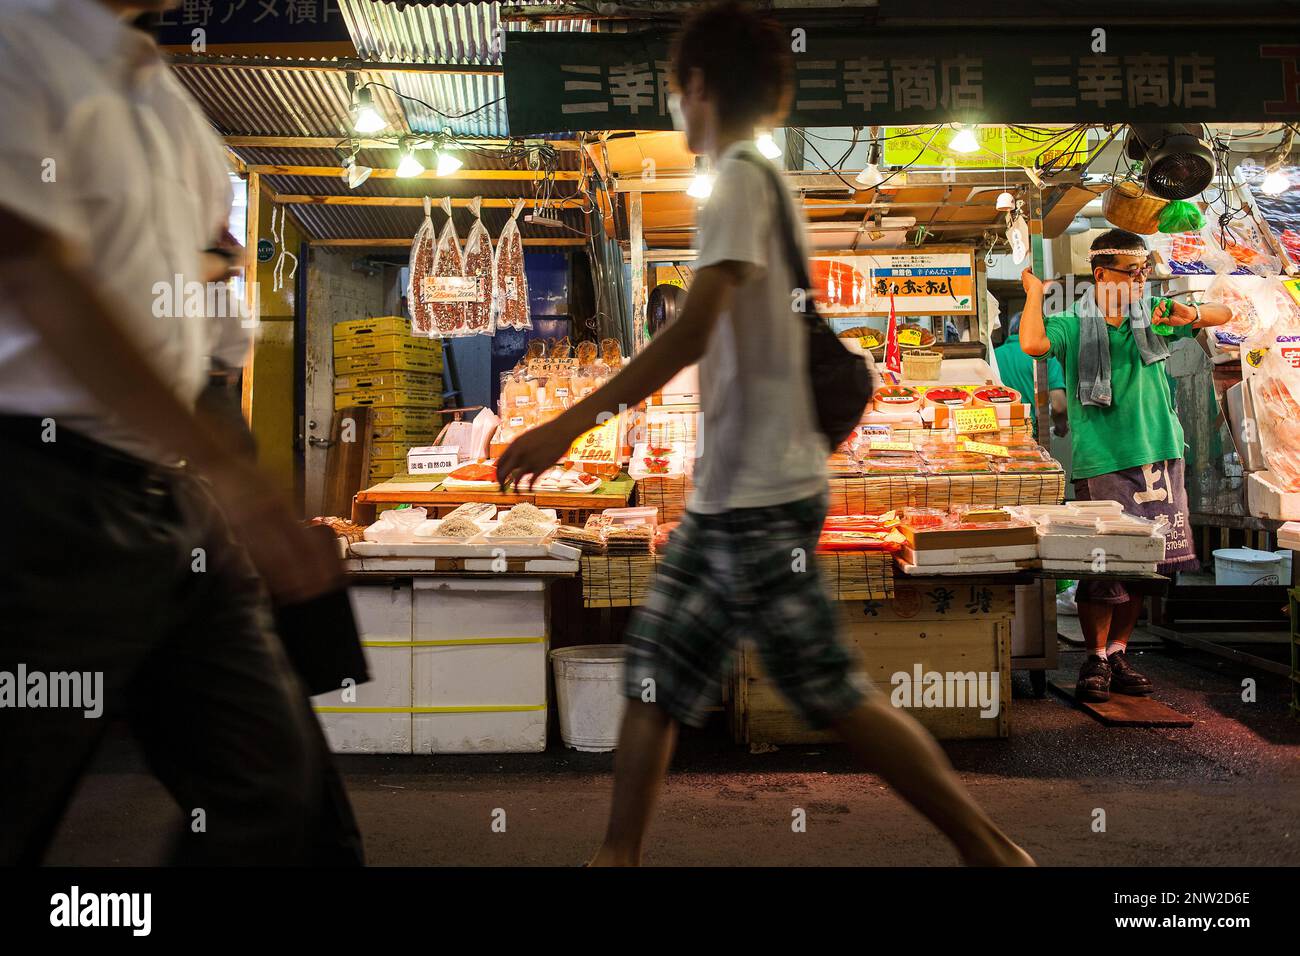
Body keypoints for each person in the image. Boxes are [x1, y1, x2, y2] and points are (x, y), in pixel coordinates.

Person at [499, 1, 1032, 867]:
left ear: (697, 87)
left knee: (810, 691)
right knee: (677, 679)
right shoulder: (755, 180)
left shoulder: (743, 180)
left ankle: (990, 849)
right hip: (747, 496)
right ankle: (617, 857)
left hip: (755, 503)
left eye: (678, 92)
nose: (678, 110)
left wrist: (569, 421)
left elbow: (692, 329)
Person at [0, 0, 361, 865]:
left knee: (271, 791)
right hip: (32, 495)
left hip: (169, 496)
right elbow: (35, 269)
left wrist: (252, 498)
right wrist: (230, 480)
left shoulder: (171, 109)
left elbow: (210, 327)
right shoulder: (17, 43)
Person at [1018, 229, 1231, 702]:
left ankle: (1118, 651)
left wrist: (1191, 313)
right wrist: (1035, 294)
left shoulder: (1154, 315)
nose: (1141, 280)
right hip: (1105, 460)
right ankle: (1093, 657)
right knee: (1104, 564)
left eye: (1144, 272)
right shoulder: (1072, 324)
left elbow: (1225, 314)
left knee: (1144, 564)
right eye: (1132, 272)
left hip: (1161, 453)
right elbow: (1033, 343)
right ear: (1100, 275)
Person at [994, 312, 1069, 439]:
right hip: (1031, 436)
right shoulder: (1046, 356)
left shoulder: (994, 356)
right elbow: (1059, 405)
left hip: (997, 434)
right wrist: (1060, 425)